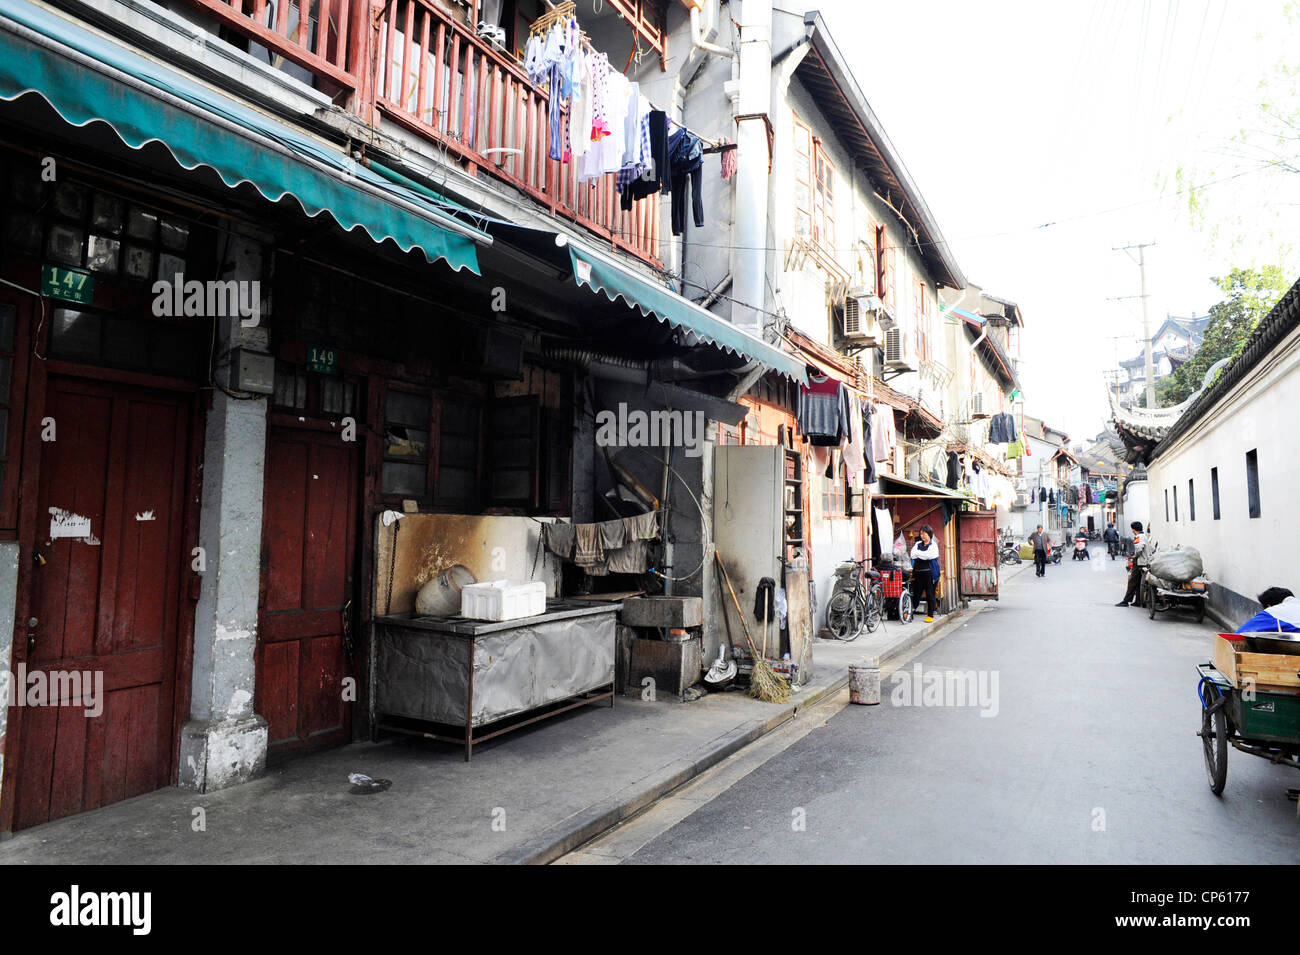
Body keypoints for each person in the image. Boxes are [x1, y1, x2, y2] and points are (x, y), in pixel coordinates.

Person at [909, 524, 941, 623]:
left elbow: (928, 556)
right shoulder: (917, 544)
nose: (922, 536)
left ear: (929, 534)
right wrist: (921, 555)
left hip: (930, 574)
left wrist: (919, 554)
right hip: (918, 573)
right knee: (916, 593)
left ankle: (930, 615)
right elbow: (912, 555)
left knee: (930, 594)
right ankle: (910, 612)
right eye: (921, 533)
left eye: (925, 534)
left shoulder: (933, 545)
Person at [1116, 521, 1148, 606]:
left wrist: (1135, 555)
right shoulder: (1144, 536)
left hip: (1139, 562)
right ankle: (1138, 601)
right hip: (1145, 562)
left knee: (1132, 582)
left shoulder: (1139, 537)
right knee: (1138, 583)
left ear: (1133, 529)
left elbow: (1139, 548)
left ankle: (1126, 601)